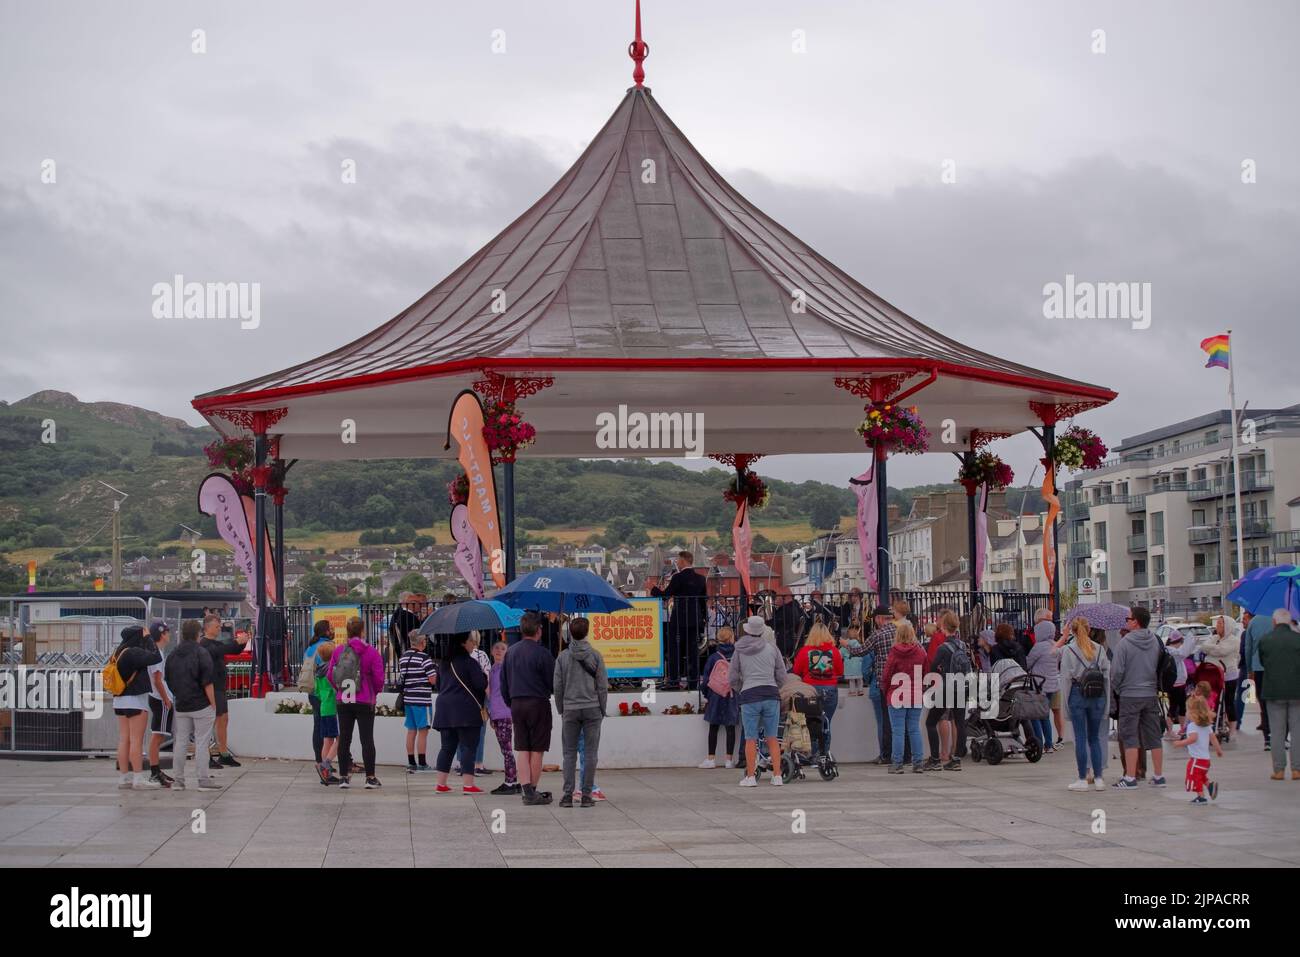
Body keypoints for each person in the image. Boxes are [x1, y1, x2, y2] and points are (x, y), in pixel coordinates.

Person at [501, 611, 556, 805]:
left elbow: (504, 683)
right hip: (538, 703)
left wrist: (510, 701)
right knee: (537, 749)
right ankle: (532, 791)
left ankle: (525, 788)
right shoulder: (543, 653)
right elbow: (552, 683)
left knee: (522, 747)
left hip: (517, 703)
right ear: (539, 630)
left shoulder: (510, 652)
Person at [1110, 606, 1166, 789]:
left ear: (1135, 622)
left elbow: (1117, 671)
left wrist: (1117, 688)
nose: (1126, 622)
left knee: (1130, 735)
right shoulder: (1155, 641)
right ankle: (1158, 775)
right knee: (1154, 736)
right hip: (1150, 693)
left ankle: (1130, 777)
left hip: (1130, 693)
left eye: (1128, 619)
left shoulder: (1124, 644)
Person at [554, 616, 608, 807]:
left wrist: (561, 707)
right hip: (592, 708)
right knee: (591, 753)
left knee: (569, 753)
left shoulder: (562, 657)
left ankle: (568, 795)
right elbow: (602, 686)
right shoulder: (595, 656)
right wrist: (602, 708)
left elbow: (558, 686)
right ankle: (586, 795)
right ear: (587, 633)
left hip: (570, 708)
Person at [326, 616, 385, 789]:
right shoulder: (372, 652)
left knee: (344, 738)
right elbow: (379, 678)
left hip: (344, 698)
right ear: (362, 631)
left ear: (347, 631)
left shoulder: (338, 651)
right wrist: (374, 691)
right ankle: (370, 778)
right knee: (367, 739)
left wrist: (339, 689)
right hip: (365, 699)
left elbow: (330, 674)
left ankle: (344, 777)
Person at [164, 620, 222, 792]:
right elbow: (207, 682)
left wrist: (178, 695)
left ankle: (179, 781)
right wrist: (213, 704)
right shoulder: (201, 653)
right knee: (202, 742)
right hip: (201, 704)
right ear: (198, 634)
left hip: (181, 704)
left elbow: (168, 679)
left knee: (180, 742)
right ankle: (203, 780)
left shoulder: (173, 654)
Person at [730, 615, 786, 787]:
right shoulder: (772, 649)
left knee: (750, 738)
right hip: (770, 694)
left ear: (747, 630)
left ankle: (751, 776)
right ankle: (777, 776)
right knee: (772, 737)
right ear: (762, 631)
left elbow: (732, 676)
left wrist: (742, 687)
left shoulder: (739, 650)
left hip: (749, 694)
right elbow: (782, 675)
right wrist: (774, 686)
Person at [432, 632, 489, 795]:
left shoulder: (444, 663)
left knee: (447, 747)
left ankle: (441, 784)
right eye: (471, 641)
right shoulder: (470, 663)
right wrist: (484, 675)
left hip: (445, 709)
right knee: (468, 747)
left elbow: (439, 685)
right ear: (463, 643)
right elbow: (480, 685)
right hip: (466, 710)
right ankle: (468, 784)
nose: (473, 644)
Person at [110, 625, 163, 790]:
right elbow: (156, 657)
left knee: (124, 739)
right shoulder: (134, 652)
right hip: (135, 701)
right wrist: (148, 639)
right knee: (136, 741)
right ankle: (138, 778)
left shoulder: (118, 652)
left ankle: (124, 778)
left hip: (119, 700)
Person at [1060, 618, 1110, 791]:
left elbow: (1065, 679)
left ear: (1073, 632)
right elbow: (1106, 677)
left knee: (1080, 737)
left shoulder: (1068, 650)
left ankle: (1082, 778)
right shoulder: (1099, 649)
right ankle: (1099, 778)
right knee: (1095, 737)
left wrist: (1065, 706)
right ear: (1089, 630)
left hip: (1077, 693)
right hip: (1098, 695)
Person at [198, 612, 250, 770]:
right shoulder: (204, 644)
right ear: (207, 627)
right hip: (211, 686)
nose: (219, 628)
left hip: (219, 686)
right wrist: (237, 642)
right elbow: (223, 649)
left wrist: (241, 643)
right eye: (216, 626)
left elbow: (230, 650)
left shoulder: (214, 643)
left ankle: (223, 753)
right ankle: (206, 756)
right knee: (211, 721)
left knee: (223, 719)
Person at [650, 551, 707, 687]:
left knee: (674, 650)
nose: (677, 562)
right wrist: (702, 619)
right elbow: (703, 602)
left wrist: (653, 589)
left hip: (679, 619)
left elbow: (665, 595)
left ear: (684, 561)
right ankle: (693, 682)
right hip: (695, 620)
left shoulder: (678, 577)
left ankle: (674, 680)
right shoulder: (701, 579)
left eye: (678, 560)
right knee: (693, 652)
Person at [853, 606, 901, 764]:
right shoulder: (901, 633)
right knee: (902, 720)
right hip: (902, 681)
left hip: (884, 682)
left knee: (886, 720)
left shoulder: (878, 635)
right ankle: (903, 755)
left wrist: (847, 645)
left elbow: (860, 651)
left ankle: (886, 754)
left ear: (879, 618)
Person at [924, 610, 970, 771]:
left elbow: (933, 667)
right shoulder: (963, 645)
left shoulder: (943, 648)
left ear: (943, 626)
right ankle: (956, 759)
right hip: (962, 687)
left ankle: (935, 759)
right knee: (959, 722)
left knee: (931, 722)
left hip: (947, 688)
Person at [1258, 608, 1300, 780]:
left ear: (1274, 622)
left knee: (1277, 732)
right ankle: (1297, 769)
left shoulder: (1266, 640)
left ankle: (1279, 770)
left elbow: (1262, 662)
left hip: (1273, 691)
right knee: (1297, 731)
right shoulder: (1298, 639)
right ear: (1290, 621)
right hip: (1297, 691)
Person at [791, 622, 843, 757]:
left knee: (810, 722)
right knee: (826, 723)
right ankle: (824, 754)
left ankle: (811, 754)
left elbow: (796, 671)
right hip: (830, 690)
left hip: (810, 689)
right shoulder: (834, 651)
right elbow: (840, 671)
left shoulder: (804, 651)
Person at [882, 621, 927, 774]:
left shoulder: (894, 652)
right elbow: (926, 673)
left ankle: (897, 763)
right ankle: (918, 763)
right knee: (914, 729)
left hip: (896, 695)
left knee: (898, 730)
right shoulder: (921, 652)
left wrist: (886, 689)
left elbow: (886, 675)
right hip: (915, 695)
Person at [1170, 694, 1223, 804]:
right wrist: (1218, 750)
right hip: (1206, 759)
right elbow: (1213, 738)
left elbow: (1193, 739)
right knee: (1201, 775)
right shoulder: (1207, 725)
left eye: (1187, 710)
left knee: (1194, 776)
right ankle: (1210, 786)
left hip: (1197, 759)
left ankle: (1201, 796)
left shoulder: (1192, 726)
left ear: (1192, 712)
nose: (1186, 713)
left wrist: (1179, 743)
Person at [700, 626, 739, 768]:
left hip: (716, 695)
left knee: (714, 727)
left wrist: (707, 695)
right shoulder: (737, 655)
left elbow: (706, 680)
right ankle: (729, 760)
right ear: (731, 638)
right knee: (730, 728)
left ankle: (711, 759)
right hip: (732, 694)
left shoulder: (713, 657)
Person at [398, 632, 437, 773]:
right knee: (423, 731)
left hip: (408, 698)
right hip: (422, 699)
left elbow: (402, 679)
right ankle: (422, 763)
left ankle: (411, 763)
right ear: (421, 642)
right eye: (425, 640)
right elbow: (433, 679)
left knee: (411, 731)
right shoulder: (424, 658)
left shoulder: (403, 658)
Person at [487, 640, 521, 796]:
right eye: (496, 648)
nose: (499, 651)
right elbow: (491, 693)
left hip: (505, 713)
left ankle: (510, 781)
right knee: (505, 749)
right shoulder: (493, 669)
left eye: (502, 648)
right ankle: (512, 780)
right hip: (496, 713)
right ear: (492, 652)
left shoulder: (506, 669)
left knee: (507, 750)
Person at [1202, 614, 1243, 743]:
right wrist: (1213, 649)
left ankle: (1232, 729)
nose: (1218, 626)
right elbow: (1204, 647)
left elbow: (1222, 651)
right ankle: (1214, 725)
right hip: (1213, 675)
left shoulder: (1234, 640)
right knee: (1212, 701)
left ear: (1228, 626)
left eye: (1221, 623)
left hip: (1228, 674)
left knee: (1229, 702)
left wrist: (1211, 650)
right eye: (1217, 623)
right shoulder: (1214, 638)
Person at [1026, 612, 1062, 752]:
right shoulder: (1056, 646)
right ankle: (1049, 744)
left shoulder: (1039, 647)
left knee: (1035, 715)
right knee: (1045, 715)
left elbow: (1028, 663)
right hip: (1052, 685)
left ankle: (1039, 743)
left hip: (1038, 685)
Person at [145, 621, 174, 788]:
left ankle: (156, 770)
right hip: (159, 698)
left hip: (157, 697)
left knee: (160, 735)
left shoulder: (156, 652)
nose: (169, 635)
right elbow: (157, 680)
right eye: (168, 632)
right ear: (162, 634)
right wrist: (166, 699)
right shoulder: (158, 654)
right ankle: (154, 771)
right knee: (157, 736)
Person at [310, 627, 340, 785]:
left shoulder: (318, 671)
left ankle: (324, 773)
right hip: (333, 707)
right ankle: (325, 765)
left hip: (323, 707)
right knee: (340, 739)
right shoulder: (332, 670)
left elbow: (317, 692)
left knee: (327, 739)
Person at [461, 632, 493, 776]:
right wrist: (491, 701)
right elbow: (488, 677)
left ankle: (461, 762)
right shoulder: (481, 655)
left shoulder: (459, 656)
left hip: (462, 697)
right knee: (480, 731)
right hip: (479, 698)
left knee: (461, 730)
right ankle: (478, 763)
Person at [303, 620, 333, 766]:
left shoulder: (310, 648)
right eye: (331, 628)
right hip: (325, 693)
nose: (333, 630)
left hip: (312, 692)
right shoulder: (327, 647)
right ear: (327, 632)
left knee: (317, 726)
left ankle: (318, 759)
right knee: (330, 729)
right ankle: (326, 761)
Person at [1241, 609, 1271, 748]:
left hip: (1258, 666)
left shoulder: (1254, 622)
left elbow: (1248, 648)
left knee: (1263, 701)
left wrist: (1249, 669)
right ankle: (1281, 736)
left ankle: (1267, 737)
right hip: (1276, 667)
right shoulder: (1278, 619)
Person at [388, 592, 423, 670]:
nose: (419, 604)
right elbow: (417, 637)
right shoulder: (409, 617)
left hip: (403, 653)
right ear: (406, 602)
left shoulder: (397, 614)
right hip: (413, 654)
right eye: (415, 602)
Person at [841, 624, 865, 696]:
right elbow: (862, 655)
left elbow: (840, 654)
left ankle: (852, 691)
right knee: (859, 679)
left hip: (849, 667)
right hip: (858, 666)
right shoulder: (859, 645)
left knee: (851, 680)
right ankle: (860, 690)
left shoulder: (844, 645)